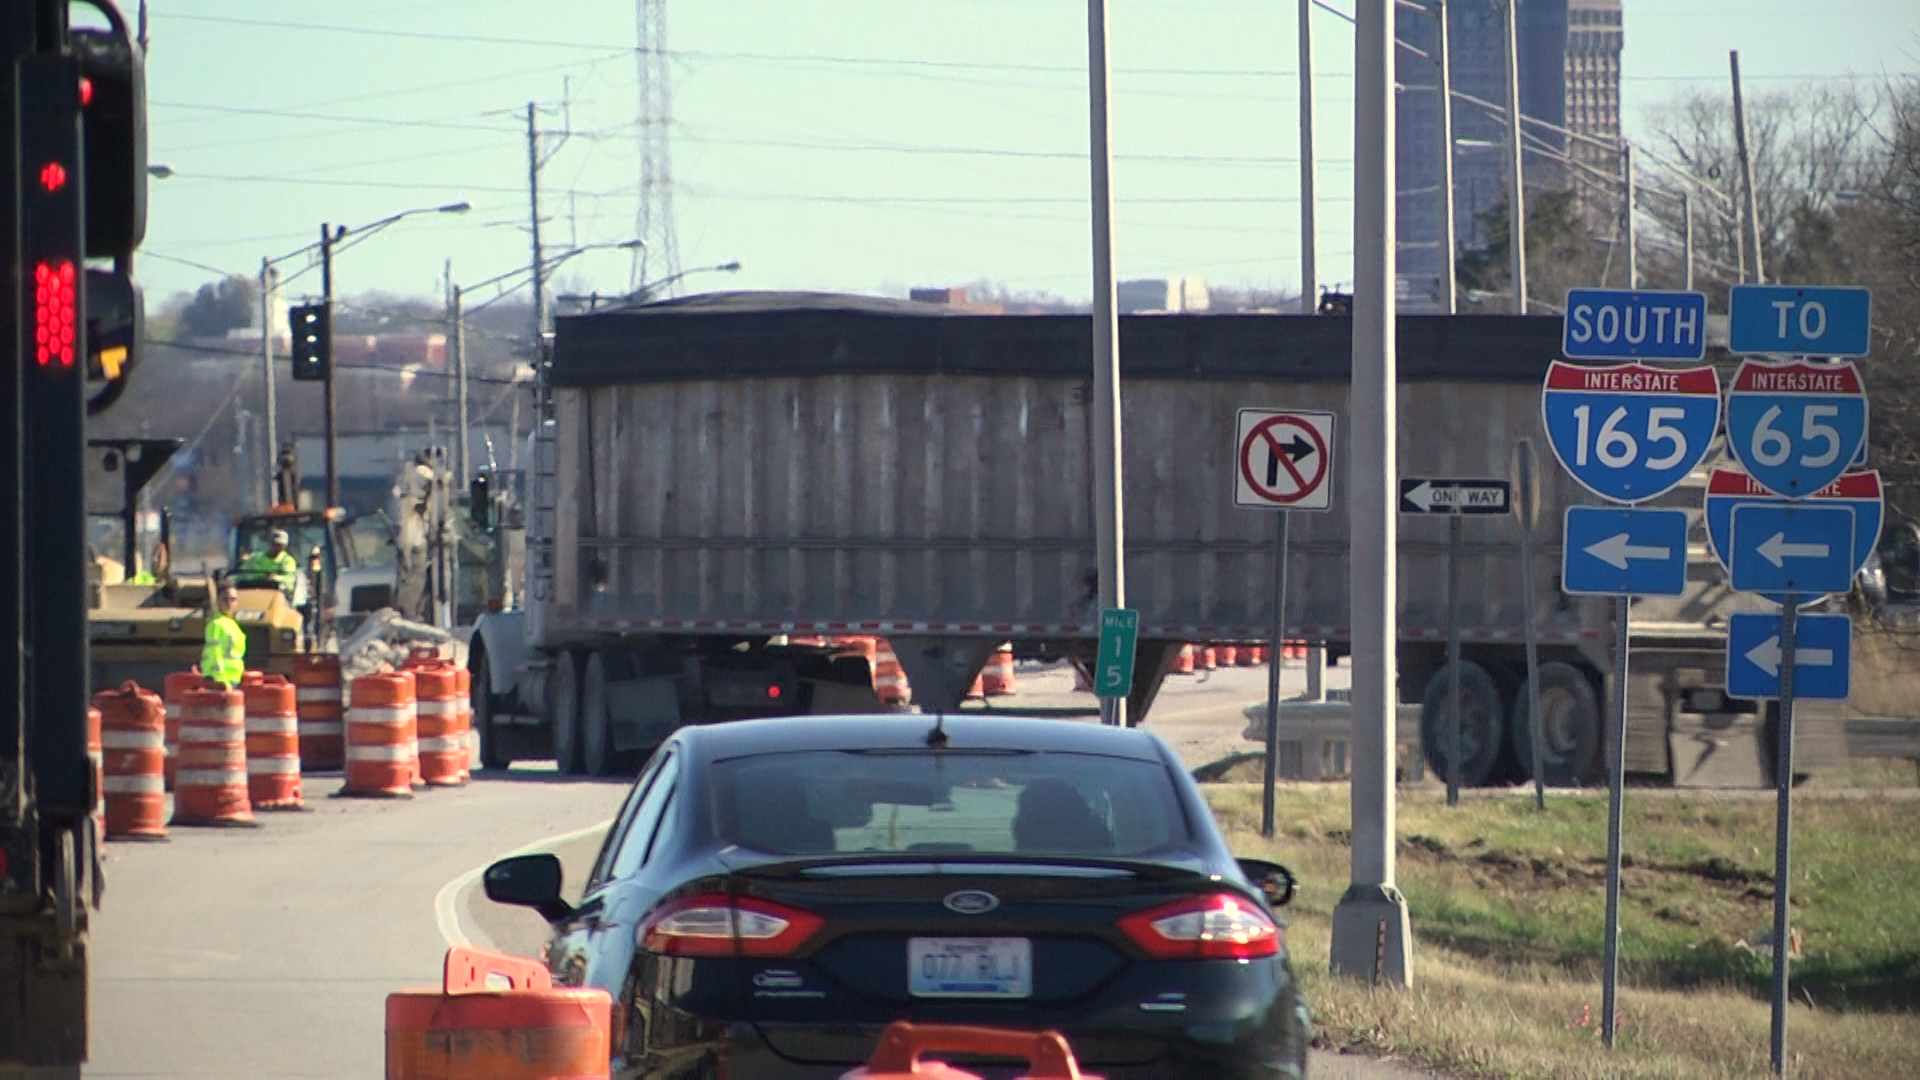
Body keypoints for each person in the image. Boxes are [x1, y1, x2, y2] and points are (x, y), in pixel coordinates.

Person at [201, 580, 247, 689]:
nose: (229, 603)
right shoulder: (216, 624)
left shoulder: (233, 624)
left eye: (233, 599)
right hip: (220, 680)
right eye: (225, 599)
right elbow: (214, 654)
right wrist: (221, 679)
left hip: (234, 678)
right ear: (217, 601)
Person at [239, 528, 298, 597]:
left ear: (285, 546)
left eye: (280, 544)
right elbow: (242, 573)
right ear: (270, 543)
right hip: (253, 592)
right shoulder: (256, 557)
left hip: (277, 596)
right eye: (275, 544)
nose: (277, 547)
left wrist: (275, 578)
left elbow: (289, 581)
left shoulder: (288, 561)